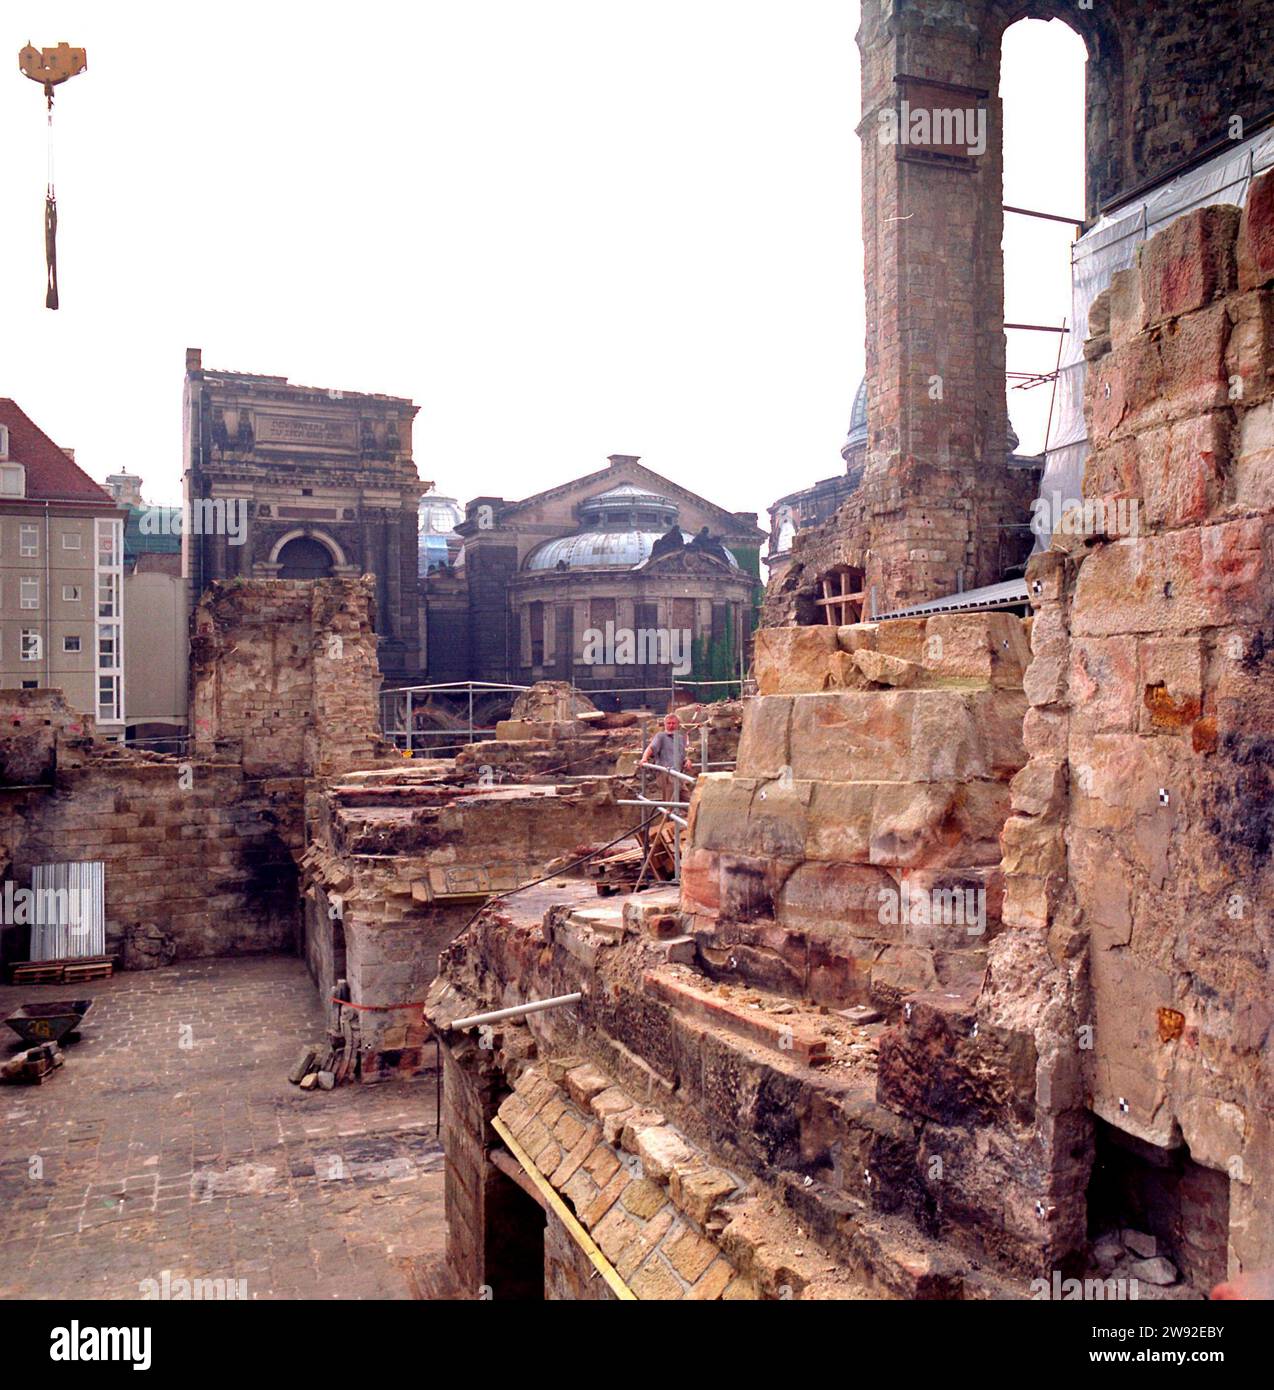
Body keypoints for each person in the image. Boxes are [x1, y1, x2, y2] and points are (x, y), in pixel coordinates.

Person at [640, 713, 692, 805]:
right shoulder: (661, 736)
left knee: (690, 799)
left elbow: (681, 754)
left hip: (678, 774)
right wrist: (644, 758)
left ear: (677, 724)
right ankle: (668, 818)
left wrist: (687, 760)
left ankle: (681, 817)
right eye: (668, 723)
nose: (671, 725)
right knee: (669, 802)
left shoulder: (680, 738)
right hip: (666, 774)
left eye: (673, 723)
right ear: (665, 724)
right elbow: (651, 748)